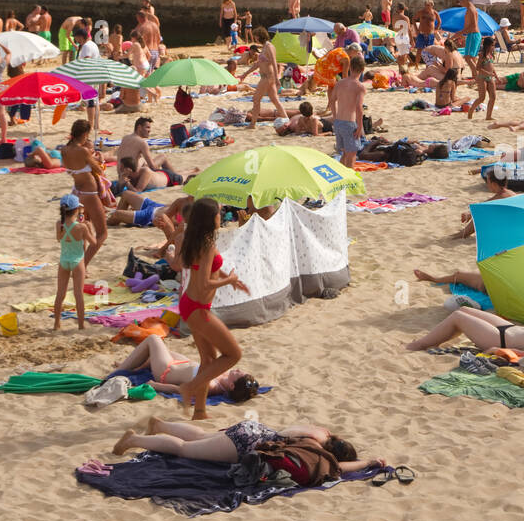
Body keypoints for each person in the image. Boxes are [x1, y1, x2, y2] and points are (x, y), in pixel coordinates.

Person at [170, 197, 249, 419]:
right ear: (209, 218)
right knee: (233, 354)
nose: (220, 216)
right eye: (218, 213)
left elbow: (209, 269)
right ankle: (189, 387)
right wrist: (228, 280)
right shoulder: (206, 244)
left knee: (209, 361)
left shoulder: (197, 239)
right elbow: (205, 282)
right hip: (197, 309)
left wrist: (229, 279)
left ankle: (200, 411)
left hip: (191, 305)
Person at [112, 413, 382, 473]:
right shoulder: (317, 447)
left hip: (254, 428)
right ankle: (135, 440)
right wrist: (369, 463)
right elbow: (334, 467)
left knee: (201, 436)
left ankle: (161, 425)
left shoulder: (321, 431)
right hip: (247, 443)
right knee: (186, 450)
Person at [110, 332, 259, 400]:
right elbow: (249, 388)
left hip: (165, 371)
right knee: (160, 350)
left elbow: (181, 390)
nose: (238, 369)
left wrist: (156, 385)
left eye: (239, 373)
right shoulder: (225, 379)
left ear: (232, 386)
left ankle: (121, 369)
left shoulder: (212, 387)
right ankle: (130, 365)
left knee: (153, 339)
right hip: (180, 364)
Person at [60, 119, 113, 267]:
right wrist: (100, 159)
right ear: (84, 134)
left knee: (83, 231)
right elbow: (99, 169)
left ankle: (78, 264)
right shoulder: (82, 151)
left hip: (76, 192)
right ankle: (82, 266)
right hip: (89, 193)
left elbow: (74, 167)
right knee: (102, 234)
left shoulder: (64, 150)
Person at [52, 195, 95, 330]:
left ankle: (56, 323)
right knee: (78, 294)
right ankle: (81, 325)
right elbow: (94, 243)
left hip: (64, 260)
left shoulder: (59, 224)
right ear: (77, 210)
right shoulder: (81, 227)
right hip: (77, 262)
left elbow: (59, 239)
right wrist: (89, 227)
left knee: (60, 293)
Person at [115, 117, 184, 187]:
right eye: (147, 127)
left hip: (121, 175)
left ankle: (176, 174)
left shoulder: (125, 138)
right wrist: (160, 173)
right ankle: (176, 177)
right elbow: (152, 166)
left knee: (142, 161)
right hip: (134, 177)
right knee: (163, 157)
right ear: (139, 127)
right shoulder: (142, 142)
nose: (149, 130)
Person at [241, 27, 288, 124]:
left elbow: (274, 62)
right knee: (275, 100)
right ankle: (286, 119)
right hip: (266, 77)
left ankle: (253, 124)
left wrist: (276, 77)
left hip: (267, 77)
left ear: (259, 36)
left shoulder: (269, 46)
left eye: (256, 37)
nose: (255, 39)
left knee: (256, 99)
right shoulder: (264, 47)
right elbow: (258, 64)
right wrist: (245, 74)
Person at [330, 55, 366, 167]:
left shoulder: (340, 83)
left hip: (338, 122)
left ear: (350, 67)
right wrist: (360, 127)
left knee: (345, 153)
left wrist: (335, 117)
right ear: (363, 69)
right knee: (351, 155)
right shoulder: (359, 87)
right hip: (349, 123)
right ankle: (350, 182)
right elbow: (359, 108)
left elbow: (332, 101)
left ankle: (341, 176)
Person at [466, 38, 502, 121]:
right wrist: (488, 73)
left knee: (493, 97)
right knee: (482, 98)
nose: (494, 47)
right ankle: (471, 110)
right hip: (482, 78)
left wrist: (496, 77)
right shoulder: (482, 54)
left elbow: (492, 68)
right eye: (492, 45)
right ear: (488, 45)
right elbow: (478, 67)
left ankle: (488, 116)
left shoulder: (491, 54)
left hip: (490, 78)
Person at [459, 0, 482, 74]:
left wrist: (459, 33)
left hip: (473, 34)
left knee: (468, 58)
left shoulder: (470, 9)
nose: (460, 4)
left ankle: (478, 76)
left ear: (465, 0)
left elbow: (473, 25)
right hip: (475, 34)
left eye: (460, 2)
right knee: (473, 58)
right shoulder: (472, 8)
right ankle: (475, 77)